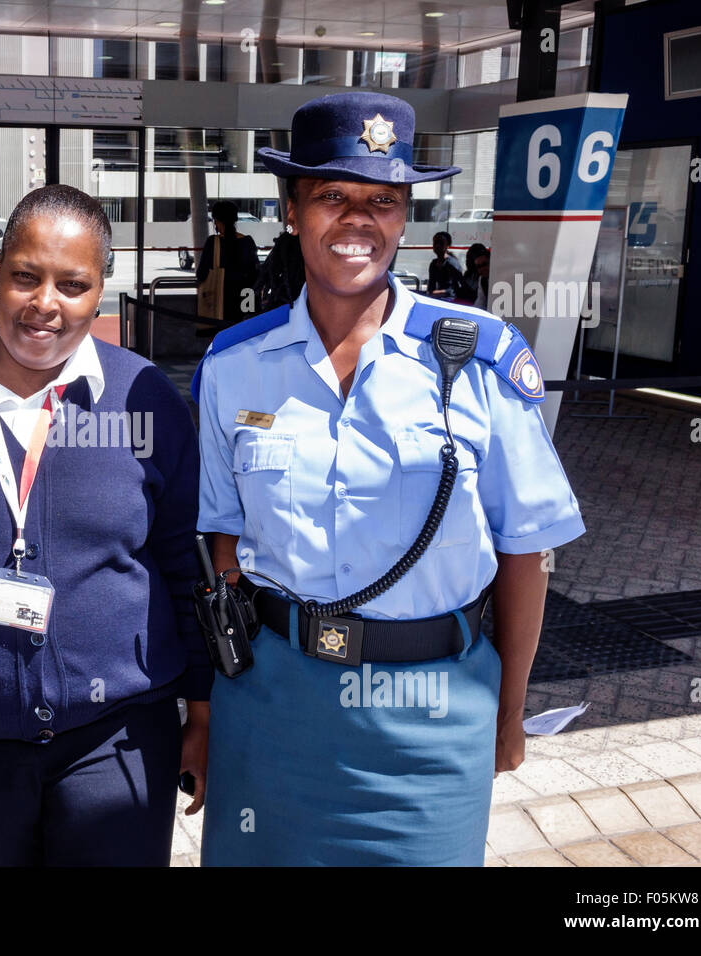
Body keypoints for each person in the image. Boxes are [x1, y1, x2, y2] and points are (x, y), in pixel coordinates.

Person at [193, 91, 585, 866]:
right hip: (274, 706)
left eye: (383, 200)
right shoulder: (233, 365)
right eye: (333, 196)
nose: (358, 219)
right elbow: (221, 529)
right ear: (293, 210)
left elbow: (527, 550)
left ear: (404, 218)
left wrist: (507, 716)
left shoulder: (478, 358)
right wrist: (238, 660)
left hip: (431, 715)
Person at [0, 184, 209, 866]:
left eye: (73, 284)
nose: (45, 303)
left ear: (101, 291)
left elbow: (182, 562)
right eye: (26, 276)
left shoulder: (144, 399)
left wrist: (202, 712)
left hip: (120, 735)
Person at [195, 200, 259, 323]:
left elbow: (201, 274)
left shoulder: (212, 242)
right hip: (246, 302)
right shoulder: (248, 241)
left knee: (220, 338)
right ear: (235, 220)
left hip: (220, 305)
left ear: (216, 221)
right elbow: (255, 274)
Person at [426, 229, 464, 297]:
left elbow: (458, 287)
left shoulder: (452, 264)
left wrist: (442, 292)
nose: (437, 246)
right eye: (435, 243)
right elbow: (431, 285)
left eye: (441, 243)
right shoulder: (433, 264)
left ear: (447, 245)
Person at [460, 242, 491, 309]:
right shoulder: (482, 280)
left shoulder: (499, 277)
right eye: (479, 266)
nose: (482, 269)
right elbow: (480, 303)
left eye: (484, 264)